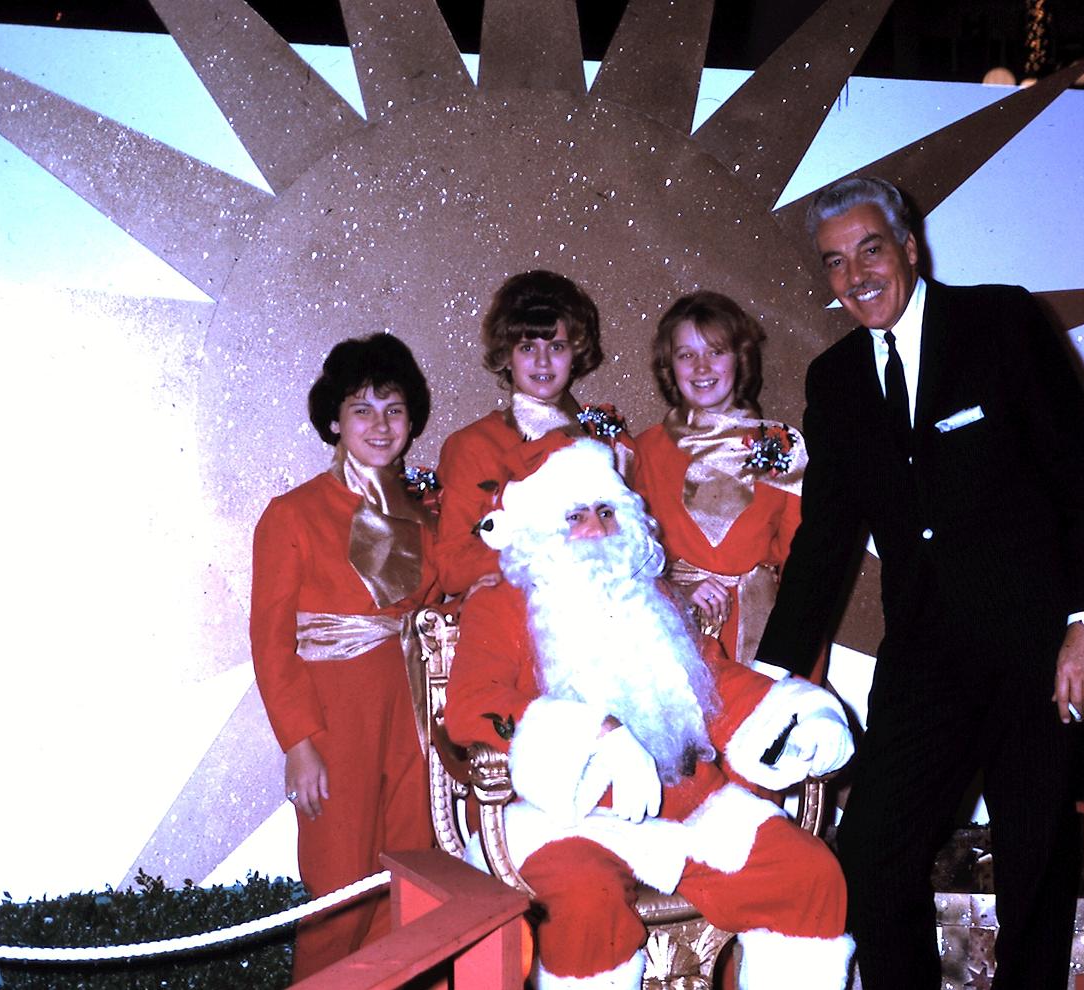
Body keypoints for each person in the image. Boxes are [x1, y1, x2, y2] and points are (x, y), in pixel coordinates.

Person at [755, 176, 1084, 989]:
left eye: (870, 250)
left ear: (909, 248)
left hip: (1040, 651)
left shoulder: (999, 322)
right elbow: (824, 541)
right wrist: (768, 675)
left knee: (1035, 868)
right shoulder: (835, 379)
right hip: (925, 659)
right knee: (870, 852)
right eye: (834, 262)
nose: (856, 275)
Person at [445, 436, 855, 989]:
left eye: (606, 511)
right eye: (575, 516)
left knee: (809, 876)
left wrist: (799, 715)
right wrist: (595, 734)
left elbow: (715, 683)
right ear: (542, 528)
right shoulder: (500, 606)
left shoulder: (653, 597)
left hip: (687, 807)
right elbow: (473, 705)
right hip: (564, 818)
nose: (596, 529)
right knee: (586, 905)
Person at [249, 333, 439, 980]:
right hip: (335, 729)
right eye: (362, 409)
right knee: (338, 896)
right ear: (334, 420)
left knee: (409, 889)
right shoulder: (293, 515)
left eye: (394, 409)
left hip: (413, 722)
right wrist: (299, 743)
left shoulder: (425, 519)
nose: (380, 425)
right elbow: (270, 641)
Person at [435, 269, 630, 599]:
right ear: (506, 356)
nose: (542, 362)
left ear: (575, 354)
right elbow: (452, 570)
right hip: (515, 615)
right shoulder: (473, 445)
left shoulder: (608, 439)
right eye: (527, 347)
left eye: (556, 347)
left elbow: (639, 542)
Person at [633, 291, 805, 664]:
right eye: (686, 355)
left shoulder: (783, 446)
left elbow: (804, 570)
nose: (701, 367)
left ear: (739, 358)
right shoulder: (644, 451)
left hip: (765, 637)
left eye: (716, 351)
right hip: (670, 640)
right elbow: (629, 563)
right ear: (669, 365)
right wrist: (677, 590)